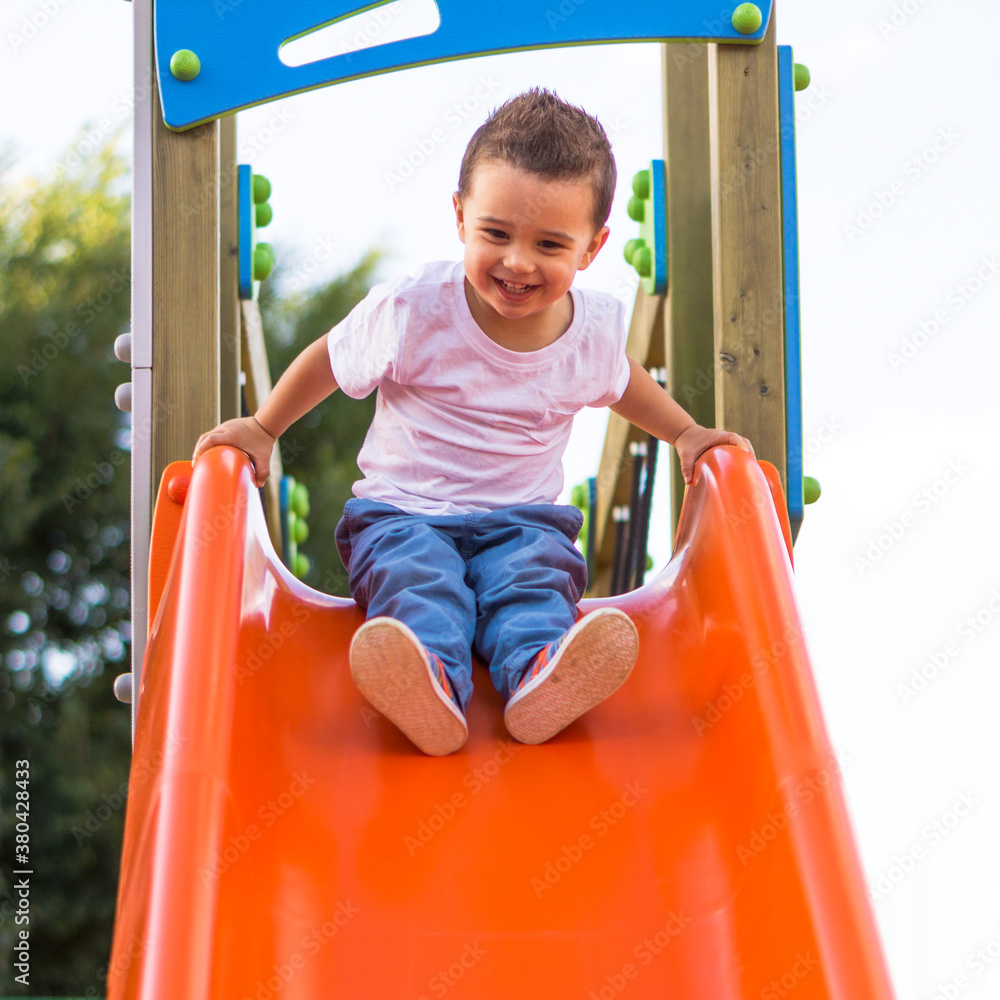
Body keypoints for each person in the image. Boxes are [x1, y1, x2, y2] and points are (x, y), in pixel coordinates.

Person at [192, 88, 754, 757]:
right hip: (403, 514)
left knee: (534, 584)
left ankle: (539, 674)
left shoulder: (593, 332)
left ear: (592, 248)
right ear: (460, 217)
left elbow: (625, 385)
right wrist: (264, 426)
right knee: (419, 585)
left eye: (549, 244)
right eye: (496, 233)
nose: (517, 262)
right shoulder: (413, 309)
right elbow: (329, 360)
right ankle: (425, 676)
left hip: (522, 519)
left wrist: (686, 434)